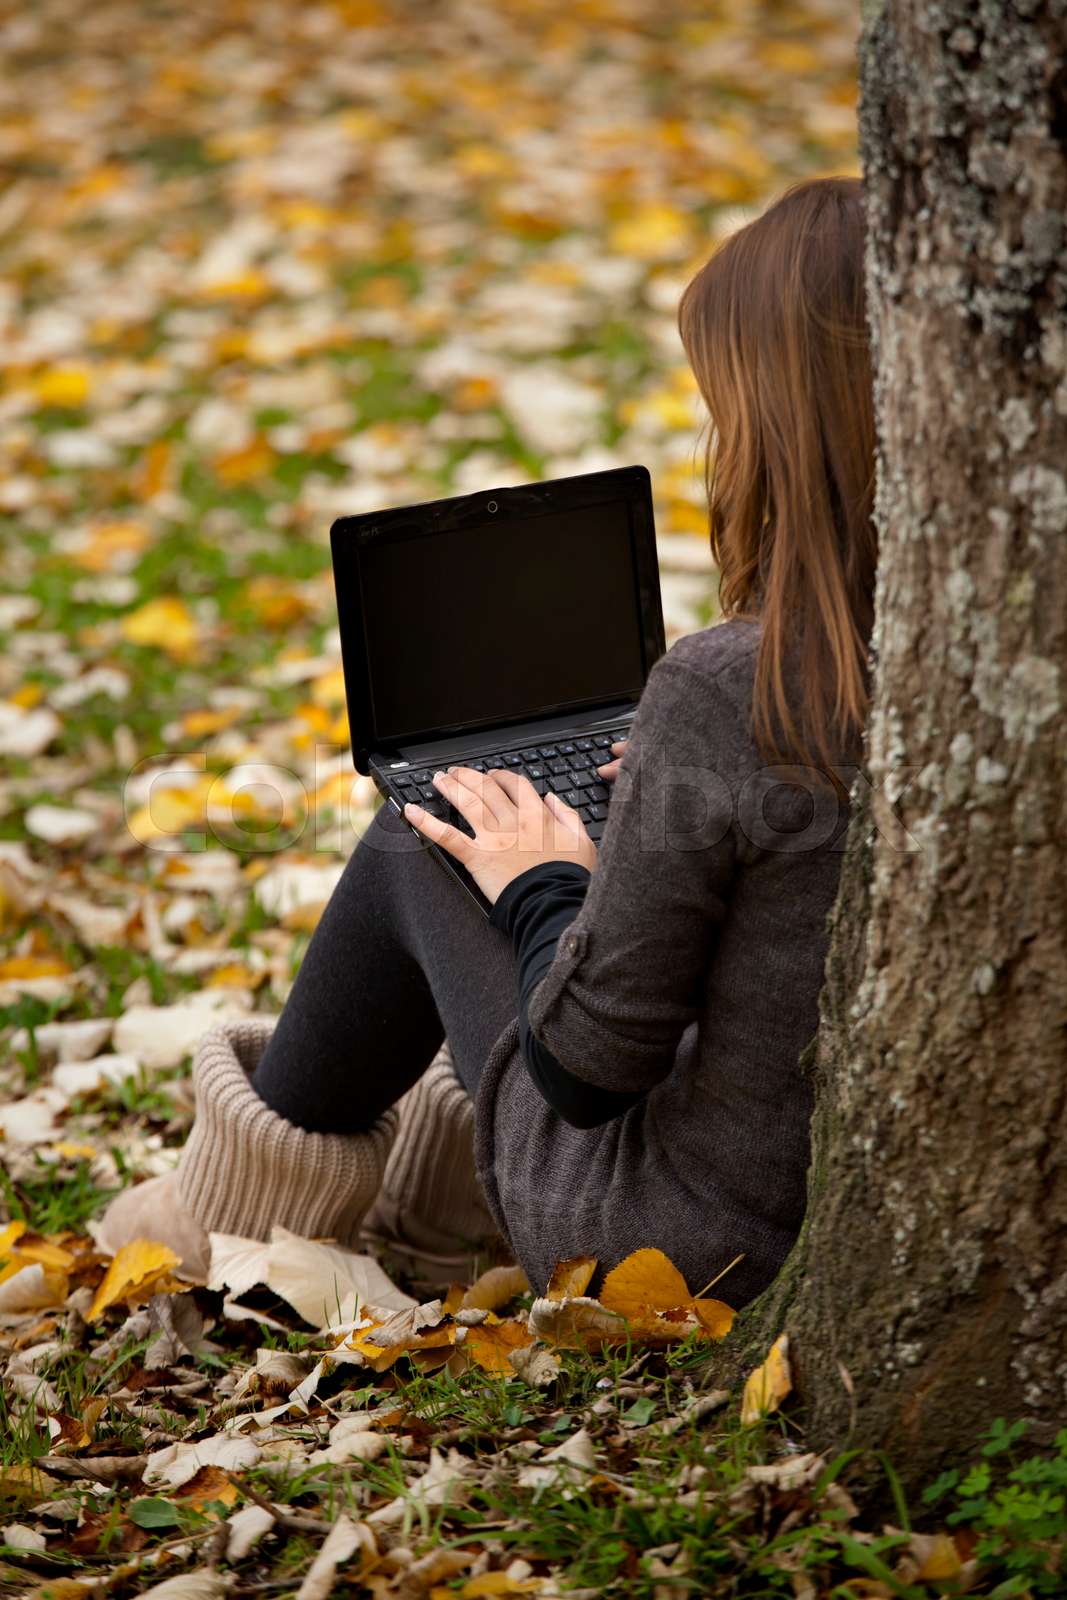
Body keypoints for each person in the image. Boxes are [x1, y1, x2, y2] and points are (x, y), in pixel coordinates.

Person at [100, 174, 876, 1307]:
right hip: (807, 1193)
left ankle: (218, 1213)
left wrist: (546, 883)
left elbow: (585, 1070)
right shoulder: (976, 661)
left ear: (772, 425)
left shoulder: (730, 684)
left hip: (676, 1247)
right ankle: (423, 1194)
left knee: (424, 835)